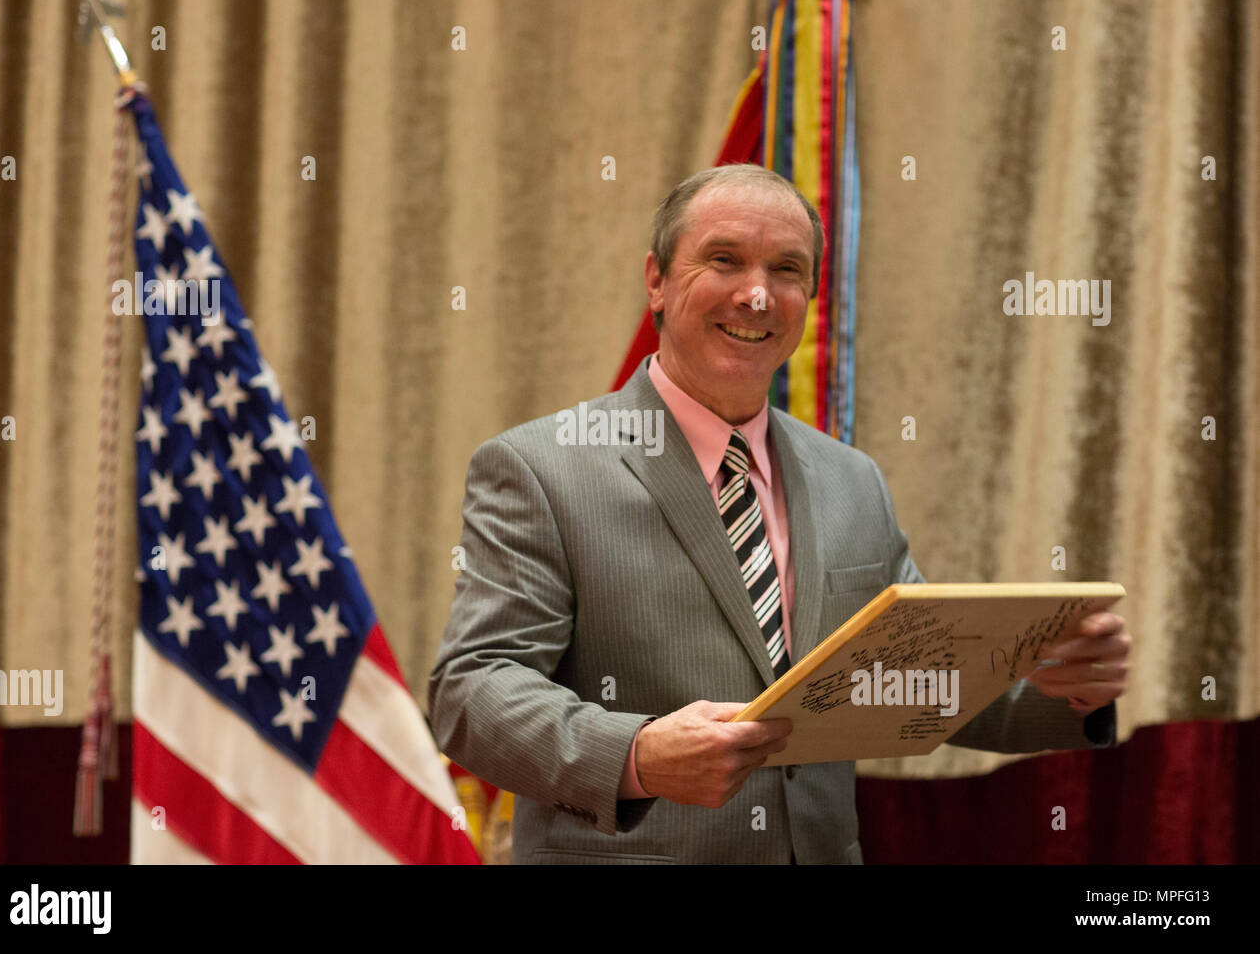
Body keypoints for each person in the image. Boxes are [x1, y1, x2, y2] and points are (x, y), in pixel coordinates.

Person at [428, 164, 1131, 864]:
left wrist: (1063, 690)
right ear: (657, 281)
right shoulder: (540, 468)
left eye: (786, 270)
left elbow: (915, 681)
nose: (758, 295)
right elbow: (472, 689)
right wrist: (637, 755)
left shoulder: (851, 481)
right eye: (724, 260)